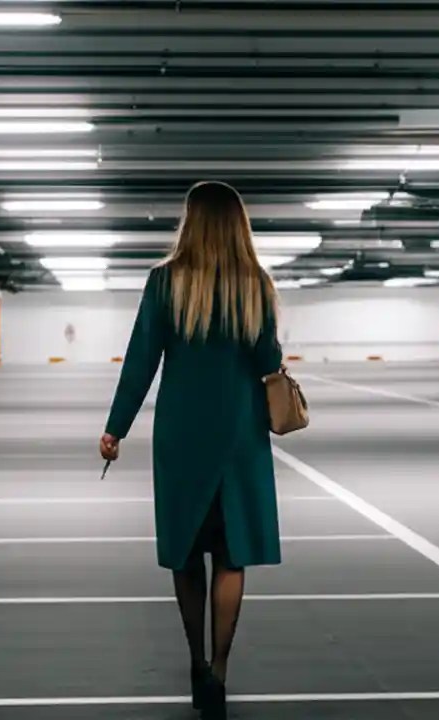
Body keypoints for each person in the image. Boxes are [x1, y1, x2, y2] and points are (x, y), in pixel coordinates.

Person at [100, 181, 284, 720]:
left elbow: (141, 363)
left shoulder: (164, 283)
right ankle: (220, 672)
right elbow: (267, 359)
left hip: (180, 437)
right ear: (238, 225)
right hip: (240, 437)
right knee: (232, 555)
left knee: (186, 553)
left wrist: (116, 429)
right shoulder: (255, 284)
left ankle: (196, 664)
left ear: (190, 222)